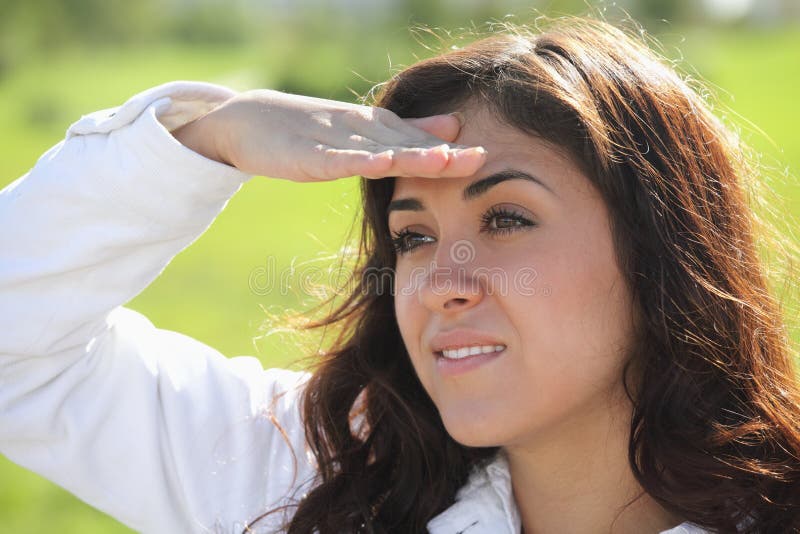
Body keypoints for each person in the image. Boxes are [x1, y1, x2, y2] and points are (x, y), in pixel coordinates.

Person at [1, 15, 798, 534]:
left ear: (661, 251)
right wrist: (209, 137)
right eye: (412, 236)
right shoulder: (305, 479)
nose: (441, 283)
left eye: (506, 219)